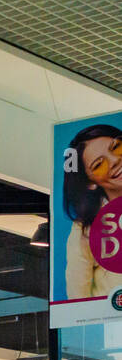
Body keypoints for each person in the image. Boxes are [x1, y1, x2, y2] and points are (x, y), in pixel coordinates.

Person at [63, 124, 122, 300]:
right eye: (99, 164)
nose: (114, 161)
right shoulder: (85, 230)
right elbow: (77, 301)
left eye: (116, 147)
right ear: (90, 182)